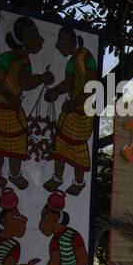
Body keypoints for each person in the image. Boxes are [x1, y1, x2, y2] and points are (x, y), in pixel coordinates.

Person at [0, 16, 54, 189]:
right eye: (32, 35)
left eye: (36, 34)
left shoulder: (25, 61)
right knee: (3, 138)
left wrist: (41, 78)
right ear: (22, 40)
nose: (38, 39)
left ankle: (14, 173)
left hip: (14, 104)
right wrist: (10, 97)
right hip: (3, 103)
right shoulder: (7, 57)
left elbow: (25, 83)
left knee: (19, 136)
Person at [42, 26, 98, 195]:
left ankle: (79, 182)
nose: (59, 45)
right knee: (60, 142)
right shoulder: (72, 61)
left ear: (73, 42)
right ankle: (58, 178)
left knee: (77, 146)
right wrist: (55, 91)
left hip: (83, 110)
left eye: (63, 41)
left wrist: (75, 103)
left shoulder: (86, 57)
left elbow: (91, 86)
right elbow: (69, 83)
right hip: (72, 108)